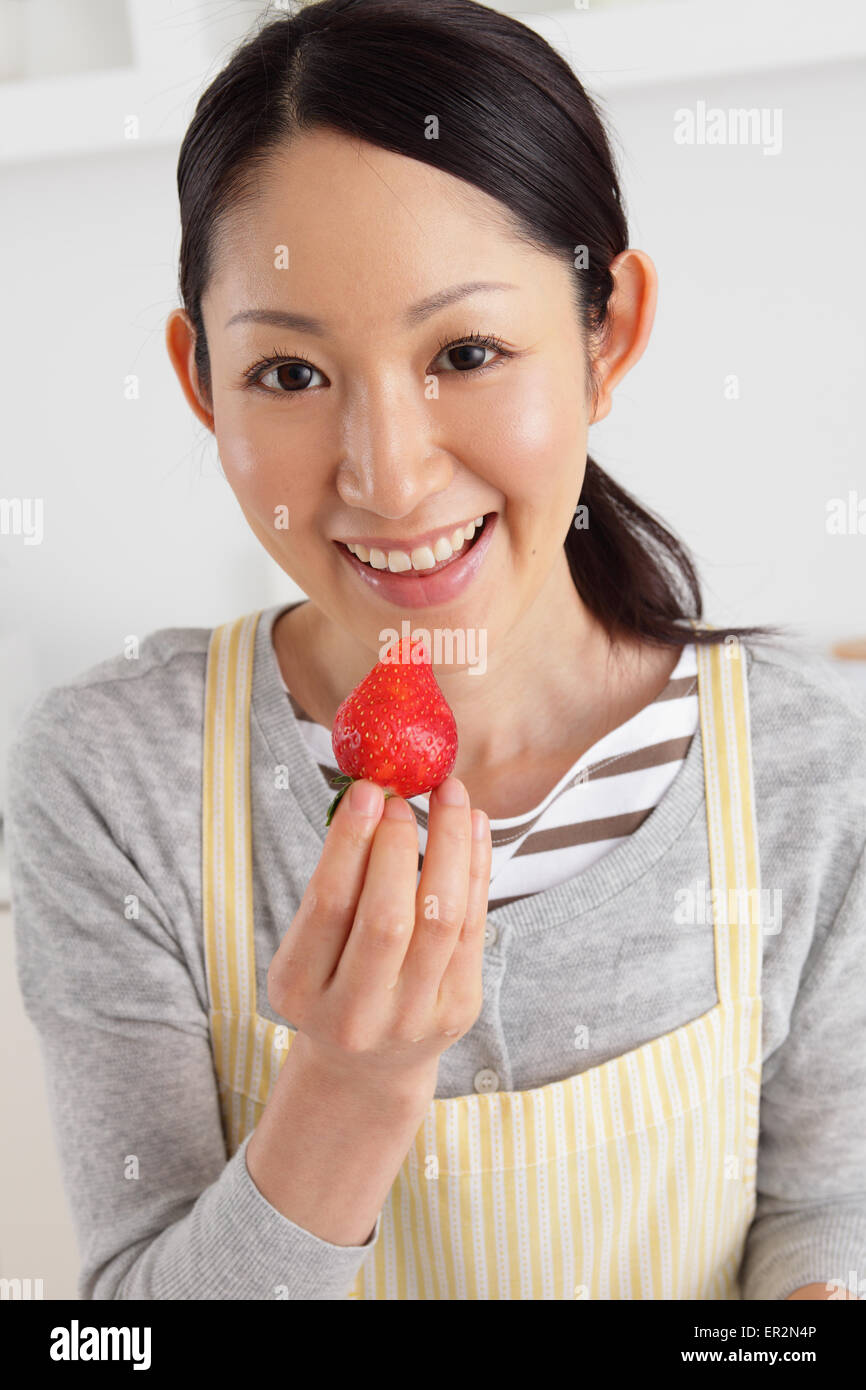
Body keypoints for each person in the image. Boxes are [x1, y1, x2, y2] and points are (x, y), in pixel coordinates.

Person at [6, 0, 865, 1301]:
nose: (388, 478)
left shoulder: (810, 757)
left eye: (465, 352)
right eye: (290, 374)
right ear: (199, 381)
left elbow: (826, 1206)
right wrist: (350, 1084)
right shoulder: (114, 774)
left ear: (606, 331)